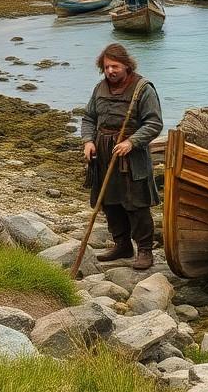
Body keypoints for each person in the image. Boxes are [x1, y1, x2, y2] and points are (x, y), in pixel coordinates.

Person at [80, 43, 163, 271]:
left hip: (131, 156)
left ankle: (145, 250)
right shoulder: (100, 88)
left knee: (136, 202)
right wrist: (88, 141)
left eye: (115, 66)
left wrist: (132, 142)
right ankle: (122, 245)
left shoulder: (142, 88)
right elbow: (89, 117)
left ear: (126, 65)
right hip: (104, 154)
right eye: (106, 67)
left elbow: (154, 123)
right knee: (109, 200)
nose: (110, 71)